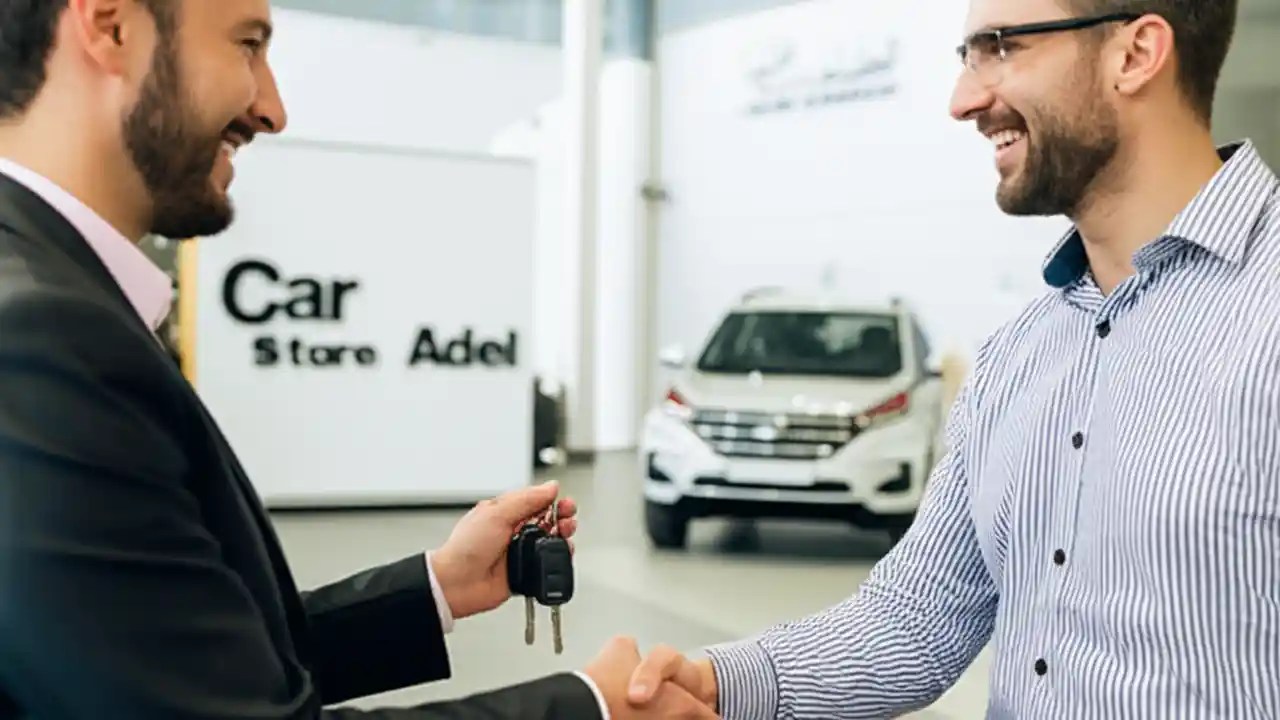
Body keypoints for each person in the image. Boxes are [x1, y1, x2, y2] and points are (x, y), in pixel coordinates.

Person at [0, 1, 713, 718]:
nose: (272, 109)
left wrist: (438, 586)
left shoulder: (52, 300)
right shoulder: (41, 335)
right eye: (247, 45)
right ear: (110, 25)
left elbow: (174, 658)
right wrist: (591, 709)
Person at [625, 0, 1280, 717]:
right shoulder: (1017, 356)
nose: (963, 101)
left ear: (1135, 54)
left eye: (1000, 48)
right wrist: (722, 685)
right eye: (966, 58)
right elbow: (914, 619)